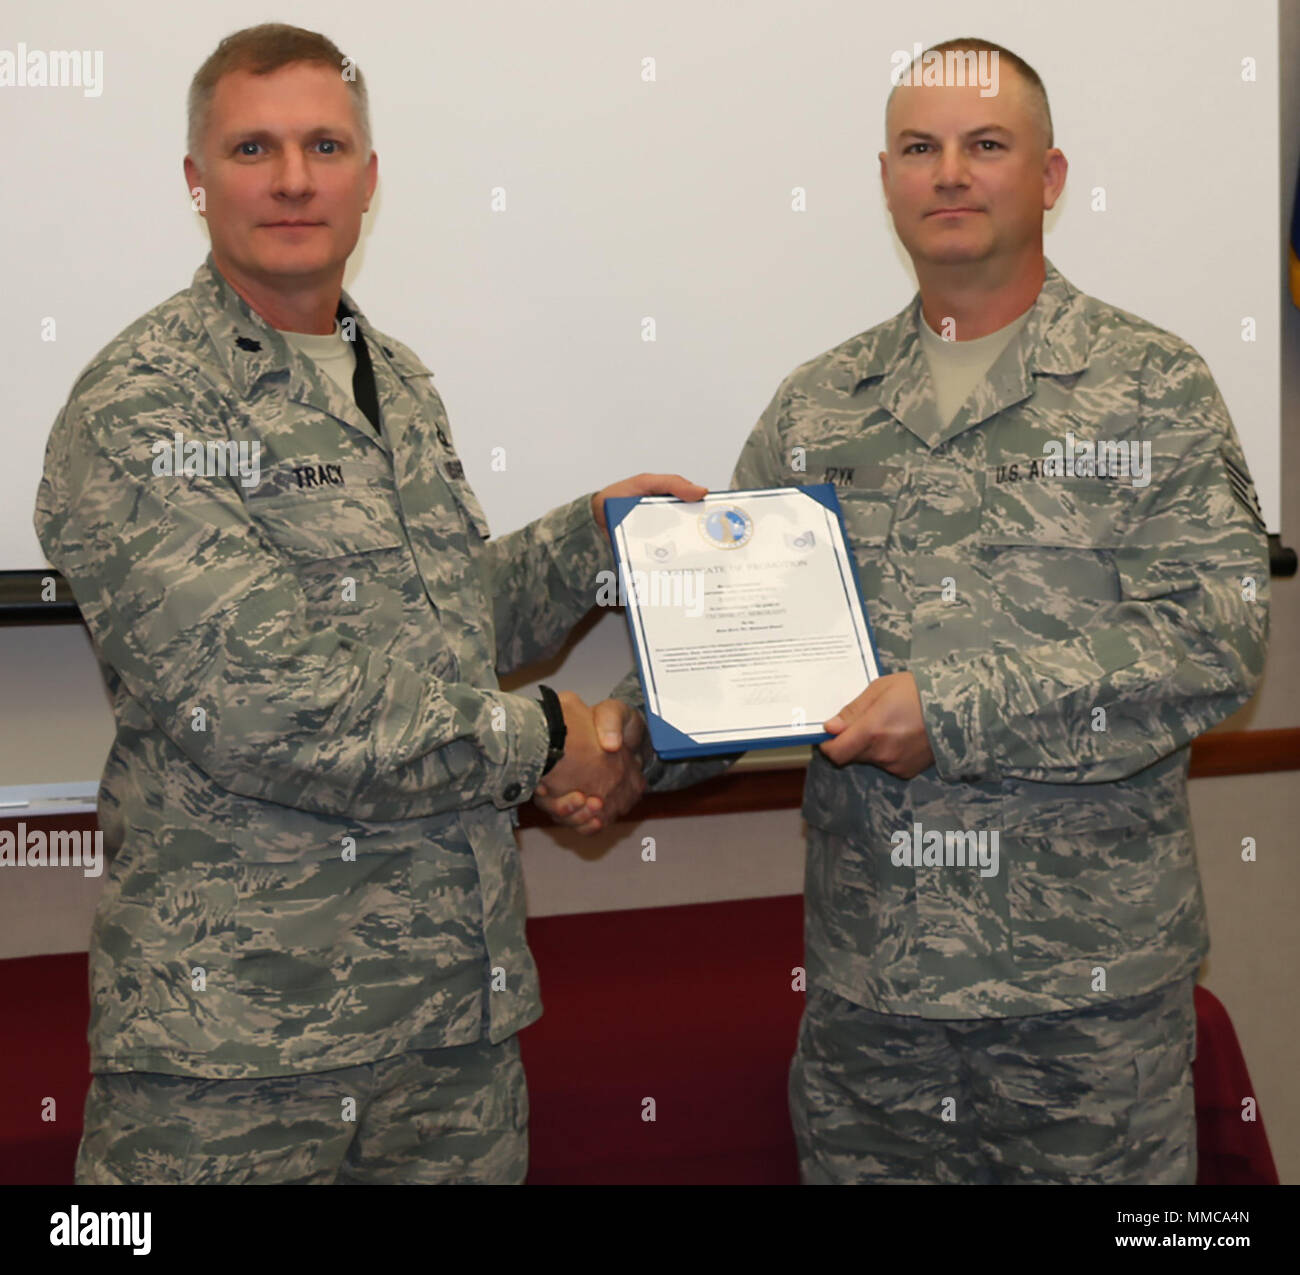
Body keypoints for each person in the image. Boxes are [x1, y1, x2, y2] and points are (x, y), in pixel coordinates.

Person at [537, 37, 1270, 1184]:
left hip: (1086, 1009)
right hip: (870, 1004)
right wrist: (632, 744)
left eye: (985, 146)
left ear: (1050, 175)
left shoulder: (1151, 388)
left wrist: (953, 711)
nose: (949, 174)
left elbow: (1214, 640)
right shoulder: (820, 405)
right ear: (885, 178)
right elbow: (743, 642)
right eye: (919, 148)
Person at [35, 22, 703, 1184]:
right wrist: (546, 735)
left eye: (325, 145)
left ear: (370, 179)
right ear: (196, 182)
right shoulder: (141, 409)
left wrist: (592, 541)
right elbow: (269, 709)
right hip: (239, 1063)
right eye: (254, 147)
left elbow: (429, 629)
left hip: (449, 1037)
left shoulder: (391, 378)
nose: (294, 179)